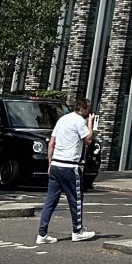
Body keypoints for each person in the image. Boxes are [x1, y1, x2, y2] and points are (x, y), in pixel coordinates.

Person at [36, 98, 98, 247]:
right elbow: (88, 138)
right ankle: (77, 231)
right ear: (82, 109)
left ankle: (42, 233)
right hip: (70, 166)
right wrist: (91, 124)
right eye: (88, 110)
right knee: (76, 199)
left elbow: (51, 143)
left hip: (56, 164)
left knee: (50, 201)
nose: (89, 112)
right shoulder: (79, 121)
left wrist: (50, 164)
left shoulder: (62, 120)